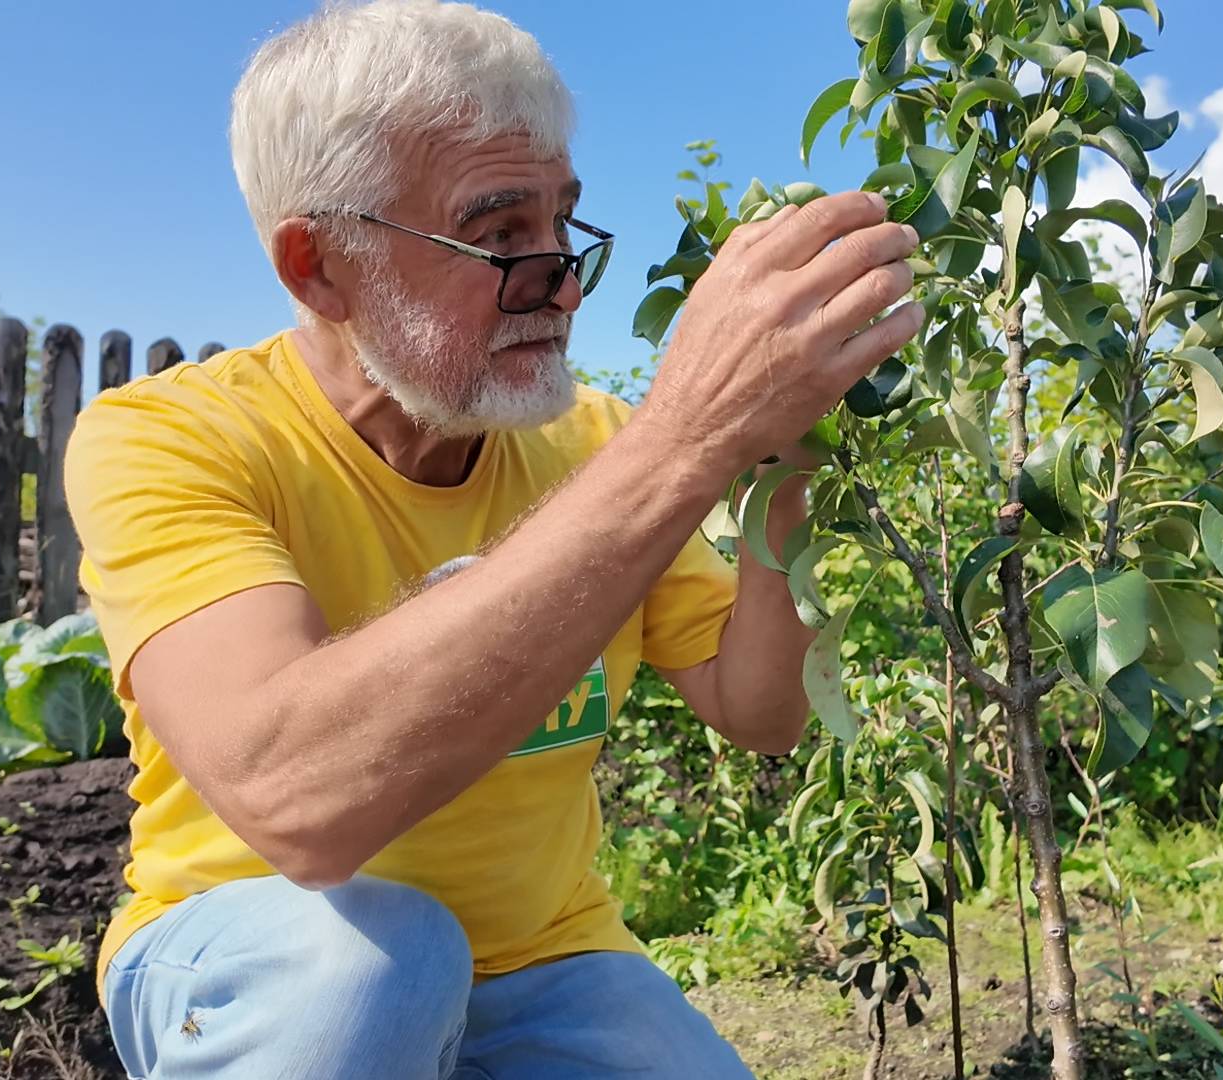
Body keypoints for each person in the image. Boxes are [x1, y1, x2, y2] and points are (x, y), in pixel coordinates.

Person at [61, 1, 922, 1077]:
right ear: (319, 265)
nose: (563, 280)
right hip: (258, 955)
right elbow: (297, 803)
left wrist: (784, 460)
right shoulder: (172, 438)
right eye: (498, 232)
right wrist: (687, 436)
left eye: (564, 221)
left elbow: (762, 712)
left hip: (548, 957)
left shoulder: (596, 444)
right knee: (374, 975)